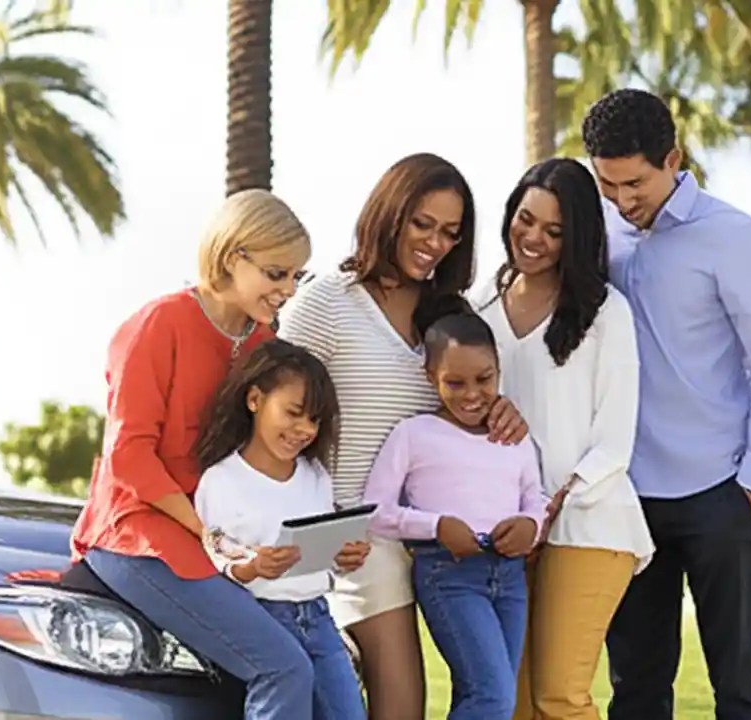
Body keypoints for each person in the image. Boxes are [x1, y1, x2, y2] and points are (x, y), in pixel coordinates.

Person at [277, 152, 528, 719]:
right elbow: (273, 417)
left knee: (490, 696)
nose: (435, 242)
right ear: (390, 212)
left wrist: (501, 410)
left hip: (448, 546)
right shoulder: (328, 301)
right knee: (400, 707)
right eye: (423, 224)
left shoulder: (452, 316)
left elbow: (465, 405)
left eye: (450, 232)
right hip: (360, 537)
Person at [581, 88, 751, 720]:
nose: (624, 199)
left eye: (636, 182)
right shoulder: (602, 239)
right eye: (607, 183)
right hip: (632, 498)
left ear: (673, 157)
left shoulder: (733, 237)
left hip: (721, 493)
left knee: (737, 683)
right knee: (637, 688)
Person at [68, 189, 319, 720]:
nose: (289, 291)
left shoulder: (263, 344)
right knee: (284, 668)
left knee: (317, 660)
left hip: (216, 538)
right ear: (233, 258)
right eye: (278, 274)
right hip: (138, 535)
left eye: (298, 277)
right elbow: (129, 459)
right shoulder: (158, 326)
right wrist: (207, 531)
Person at [474, 157, 654, 720]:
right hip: (508, 526)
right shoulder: (479, 306)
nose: (533, 238)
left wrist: (553, 503)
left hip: (590, 521)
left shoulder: (606, 313)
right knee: (517, 704)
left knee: (560, 696)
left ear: (575, 239)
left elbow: (614, 442)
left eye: (554, 231)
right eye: (526, 220)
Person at [362, 312, 546, 720]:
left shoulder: (513, 436)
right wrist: (436, 526)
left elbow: (536, 497)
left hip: (510, 578)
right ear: (431, 377)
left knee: (484, 696)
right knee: (493, 698)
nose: (472, 394)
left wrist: (531, 525)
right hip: (449, 575)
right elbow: (375, 512)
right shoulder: (414, 434)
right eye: (455, 383)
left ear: (498, 370)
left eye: (485, 379)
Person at [193, 338, 371, 720]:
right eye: (293, 413)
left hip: (319, 618)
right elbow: (218, 551)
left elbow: (321, 552)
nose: (304, 429)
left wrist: (344, 557)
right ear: (255, 400)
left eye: (314, 420)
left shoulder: (314, 476)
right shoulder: (222, 480)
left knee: (348, 713)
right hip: (264, 617)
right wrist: (254, 565)